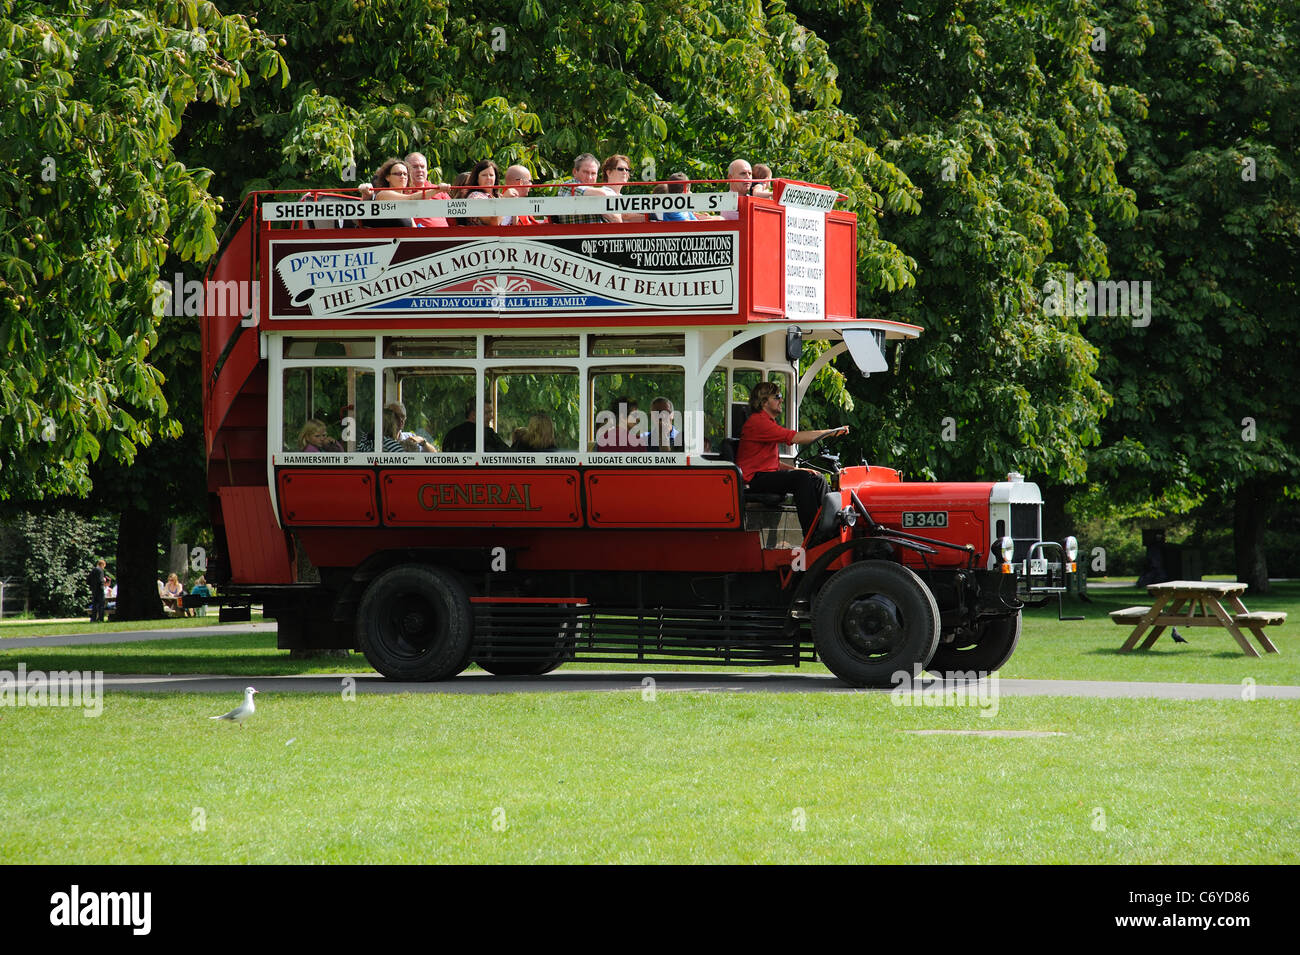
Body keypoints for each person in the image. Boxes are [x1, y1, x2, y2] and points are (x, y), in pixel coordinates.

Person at [735, 381, 848, 536]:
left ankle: (832, 528)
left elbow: (771, 463)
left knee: (817, 478)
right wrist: (830, 432)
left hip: (763, 476)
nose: (781, 400)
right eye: (777, 396)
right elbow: (795, 437)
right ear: (764, 402)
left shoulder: (767, 422)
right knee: (801, 478)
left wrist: (796, 469)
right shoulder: (758, 422)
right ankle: (812, 535)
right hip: (755, 479)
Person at [553, 153, 618, 224]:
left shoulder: (593, 192)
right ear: (575, 172)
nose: (589, 177)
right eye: (585, 172)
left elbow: (616, 218)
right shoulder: (568, 186)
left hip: (597, 233)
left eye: (593, 173)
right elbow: (601, 194)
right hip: (578, 233)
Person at [361, 158, 417, 227]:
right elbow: (412, 198)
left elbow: (414, 229)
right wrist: (433, 191)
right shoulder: (383, 194)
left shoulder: (406, 204)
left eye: (405, 174)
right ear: (388, 177)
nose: (403, 176)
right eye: (398, 174)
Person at [442, 398, 508, 452]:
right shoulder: (487, 434)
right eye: (487, 413)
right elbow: (510, 457)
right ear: (473, 415)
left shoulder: (451, 434)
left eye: (491, 412)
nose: (491, 417)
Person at [600, 154, 638, 222]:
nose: (625, 172)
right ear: (609, 172)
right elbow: (626, 216)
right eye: (620, 169)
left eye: (627, 170)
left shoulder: (621, 197)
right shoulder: (602, 193)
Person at [465, 160, 502, 226]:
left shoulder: (499, 196)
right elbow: (493, 222)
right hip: (483, 235)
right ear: (477, 178)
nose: (488, 178)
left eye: (491, 175)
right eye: (484, 175)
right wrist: (505, 202)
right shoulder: (474, 197)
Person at [88, 558, 107, 622]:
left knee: (94, 605)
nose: (103, 568)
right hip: (100, 590)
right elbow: (100, 580)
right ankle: (101, 619)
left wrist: (92, 586)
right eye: (104, 566)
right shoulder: (100, 570)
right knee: (101, 605)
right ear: (102, 564)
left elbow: (88, 580)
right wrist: (103, 580)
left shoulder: (93, 570)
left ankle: (93, 619)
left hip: (94, 590)